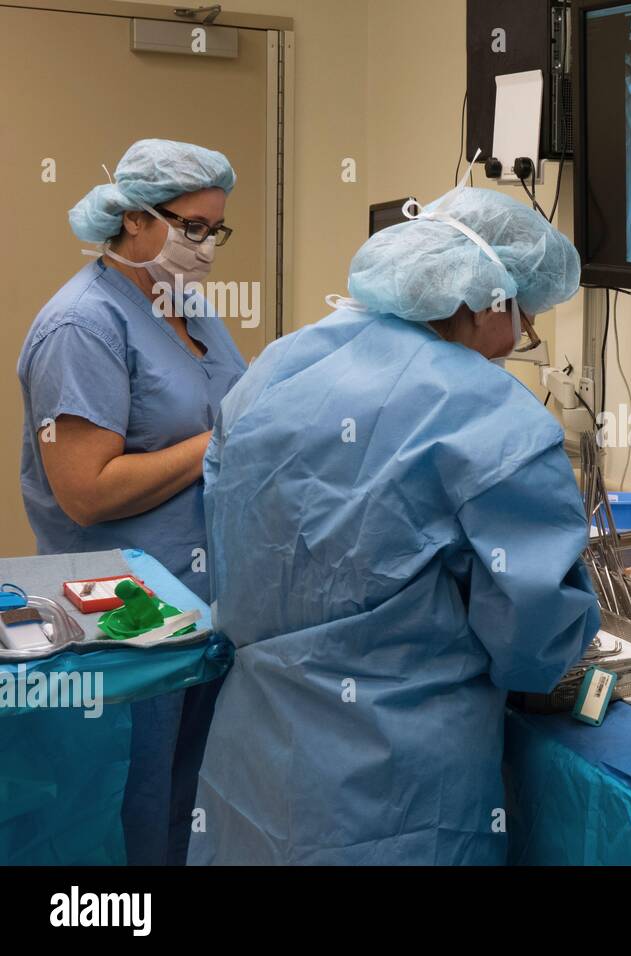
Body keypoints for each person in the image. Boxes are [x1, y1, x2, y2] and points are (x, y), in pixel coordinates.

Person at [189, 186, 600, 865]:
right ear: (480, 297)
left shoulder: (280, 366)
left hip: (257, 748)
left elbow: (229, 530)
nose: (523, 337)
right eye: (524, 315)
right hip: (391, 786)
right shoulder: (490, 414)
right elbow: (535, 636)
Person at [17, 139, 247, 865]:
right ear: (134, 220)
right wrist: (220, 442)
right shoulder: (82, 325)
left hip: (203, 608)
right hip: (124, 620)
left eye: (217, 229)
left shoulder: (191, 309)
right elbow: (86, 494)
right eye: (192, 228)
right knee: (131, 807)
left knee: (194, 800)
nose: (206, 246)